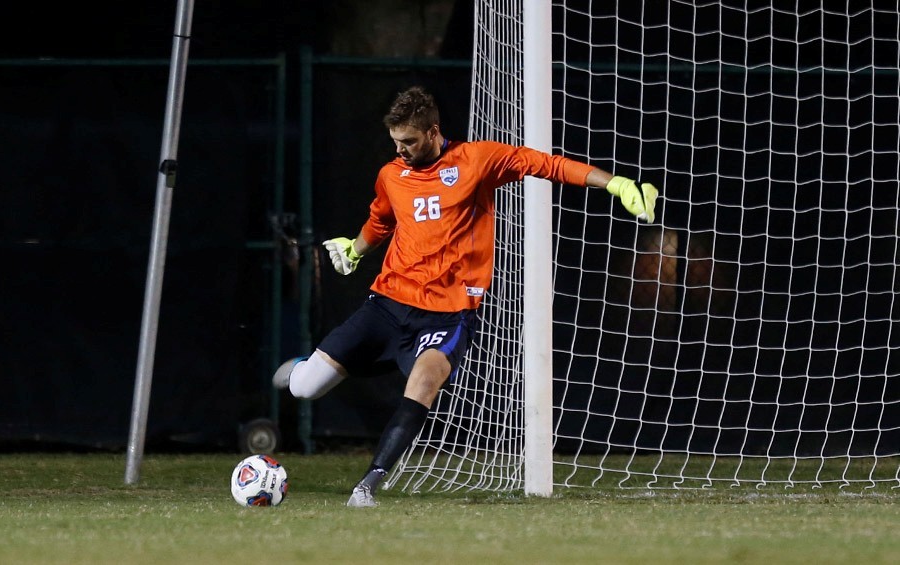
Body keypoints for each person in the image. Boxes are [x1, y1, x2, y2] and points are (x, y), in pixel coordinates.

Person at [273, 85, 658, 507]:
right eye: (395, 142)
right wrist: (355, 249)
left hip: (448, 315)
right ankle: (301, 370)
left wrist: (615, 184)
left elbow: (546, 164)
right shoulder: (391, 175)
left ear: (433, 131)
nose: (400, 150)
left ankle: (366, 486)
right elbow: (381, 220)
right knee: (306, 388)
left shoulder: (476, 160)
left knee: (424, 384)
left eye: (408, 141)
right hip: (388, 304)